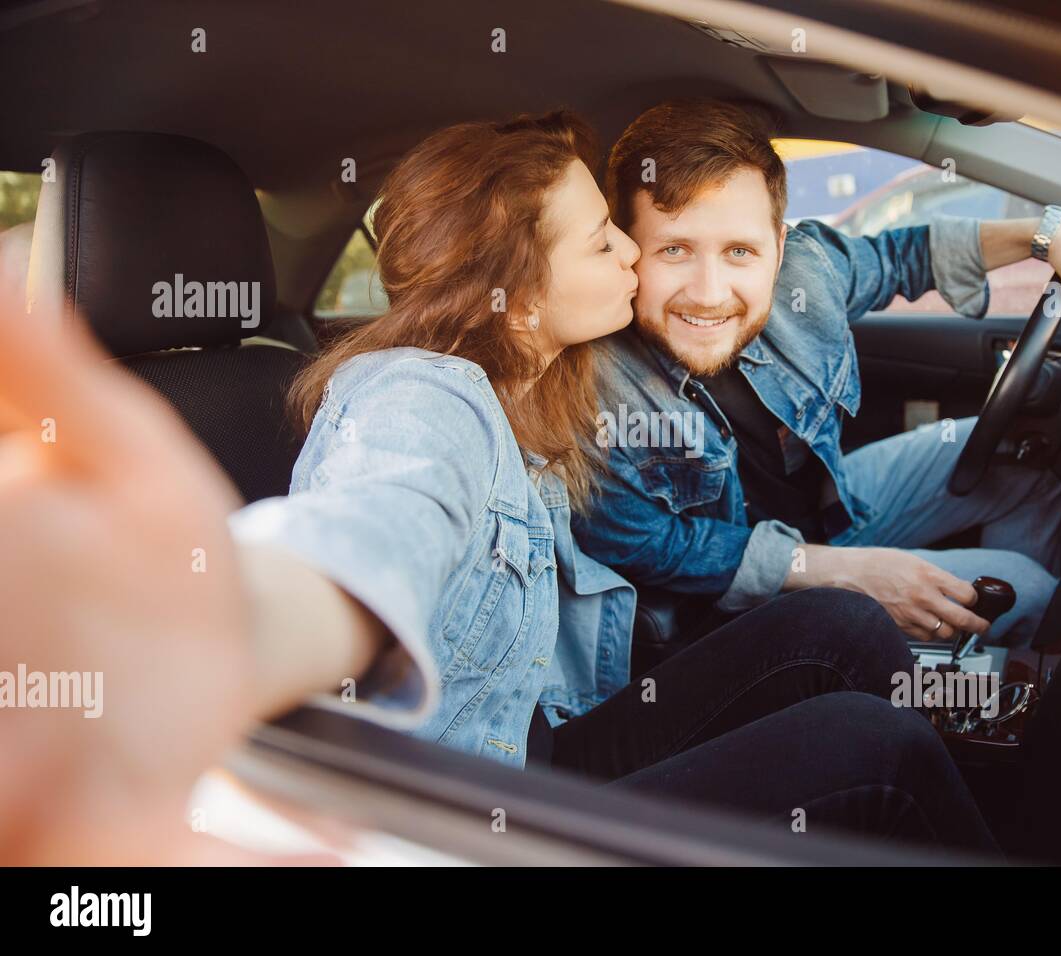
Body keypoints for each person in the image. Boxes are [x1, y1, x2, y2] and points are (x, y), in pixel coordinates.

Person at [0, 112, 996, 862]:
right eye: (604, 237)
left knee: (845, 628)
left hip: (550, 737)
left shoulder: (548, 394)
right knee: (880, 748)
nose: (630, 255)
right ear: (515, 289)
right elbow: (380, 521)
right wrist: (219, 632)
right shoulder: (422, 396)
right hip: (483, 812)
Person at [573, 98, 1061, 645]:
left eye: (740, 251)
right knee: (1030, 588)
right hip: (735, 595)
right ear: (625, 248)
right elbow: (645, 544)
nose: (710, 293)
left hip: (831, 509)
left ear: (780, 246)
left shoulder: (807, 272)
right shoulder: (592, 381)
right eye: (674, 250)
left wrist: (1048, 236)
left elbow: (905, 256)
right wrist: (841, 571)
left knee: (1028, 451)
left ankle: (973, 665)